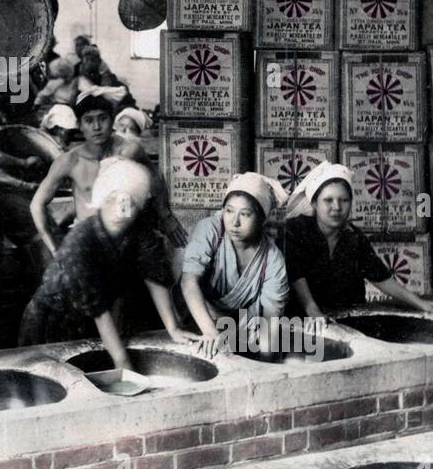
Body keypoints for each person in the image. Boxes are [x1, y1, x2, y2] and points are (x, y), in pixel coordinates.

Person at [20, 159, 188, 363]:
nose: (121, 209)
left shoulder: (141, 233)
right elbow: (100, 312)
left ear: (139, 204)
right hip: (51, 324)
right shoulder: (81, 240)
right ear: (102, 199)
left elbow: (155, 277)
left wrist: (173, 328)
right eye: (114, 200)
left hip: (97, 325)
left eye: (129, 203)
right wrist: (122, 363)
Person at [30, 93, 186, 256]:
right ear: (80, 125)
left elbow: (154, 174)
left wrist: (166, 215)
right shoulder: (69, 161)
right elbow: (36, 204)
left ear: (112, 121)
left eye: (102, 119)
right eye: (89, 120)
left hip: (131, 238)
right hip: (91, 242)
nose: (96, 127)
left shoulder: (129, 150)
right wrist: (54, 249)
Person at [283, 162, 433, 318]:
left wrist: (420, 304)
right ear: (314, 203)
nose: (337, 207)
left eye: (344, 200)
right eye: (328, 200)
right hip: (303, 320)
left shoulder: (354, 237)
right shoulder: (295, 230)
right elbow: (296, 274)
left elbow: (380, 277)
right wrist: (312, 310)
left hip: (346, 316)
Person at [179, 173, 290, 358]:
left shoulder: (272, 259)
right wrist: (210, 332)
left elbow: (270, 320)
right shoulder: (210, 229)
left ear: (261, 219)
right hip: (198, 318)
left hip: (241, 328)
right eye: (229, 211)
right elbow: (189, 282)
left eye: (245, 214)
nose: (234, 222)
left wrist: (264, 365)